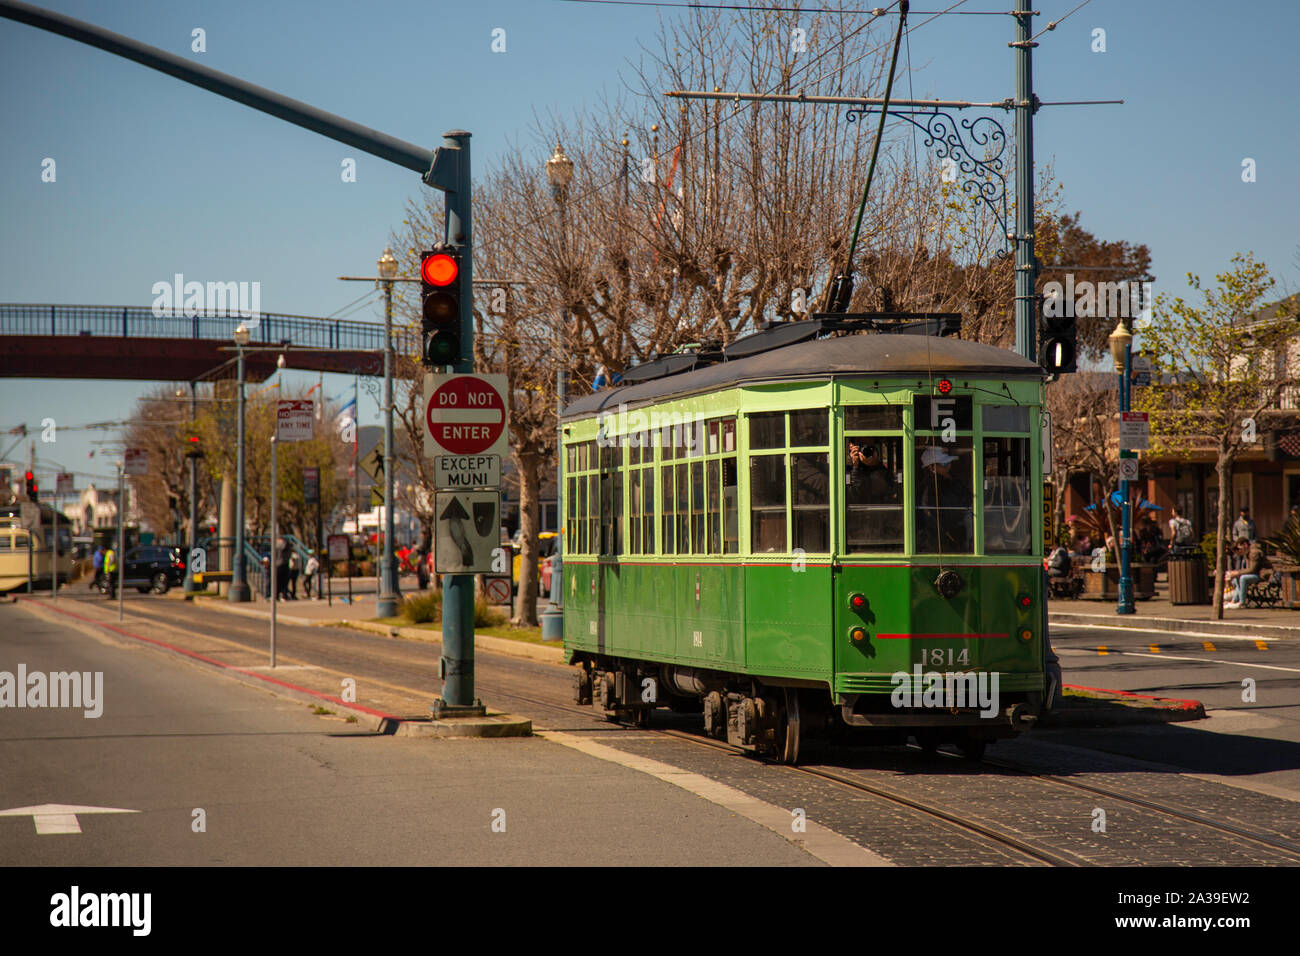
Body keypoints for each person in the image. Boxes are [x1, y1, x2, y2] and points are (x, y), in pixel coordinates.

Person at [916, 445, 970, 552]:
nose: (948, 466)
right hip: (940, 539)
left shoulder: (949, 482)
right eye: (944, 464)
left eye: (949, 463)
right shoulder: (933, 487)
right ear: (931, 467)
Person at [1225, 538, 1267, 608]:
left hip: (1262, 574)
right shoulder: (1247, 552)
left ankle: (1242, 602)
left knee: (1243, 578)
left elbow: (1252, 569)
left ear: (1245, 545)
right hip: (1255, 574)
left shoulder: (1254, 552)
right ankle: (1234, 601)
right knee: (1236, 579)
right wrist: (1235, 573)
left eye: (1239, 548)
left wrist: (1237, 572)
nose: (1239, 550)